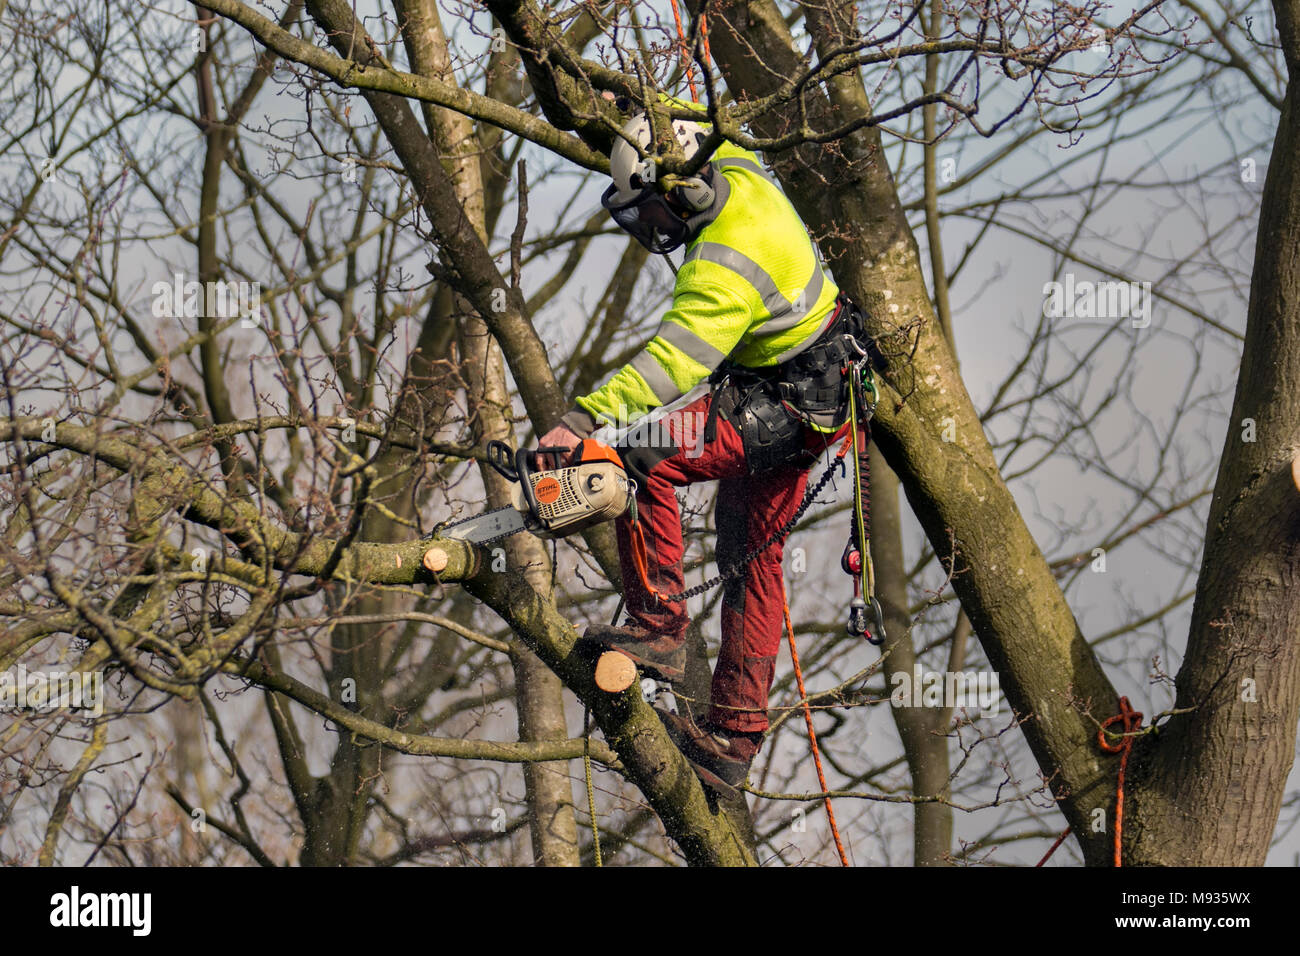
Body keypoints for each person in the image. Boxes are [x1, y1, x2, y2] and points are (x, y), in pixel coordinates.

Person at [538, 110, 876, 793]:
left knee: (644, 455)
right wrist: (623, 103)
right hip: (815, 387)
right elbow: (681, 118)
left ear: (686, 188)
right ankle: (733, 738)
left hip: (785, 400)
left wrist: (579, 423)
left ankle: (658, 626)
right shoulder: (740, 164)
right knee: (749, 554)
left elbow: (671, 367)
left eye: (657, 209)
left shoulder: (723, 263)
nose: (656, 228)